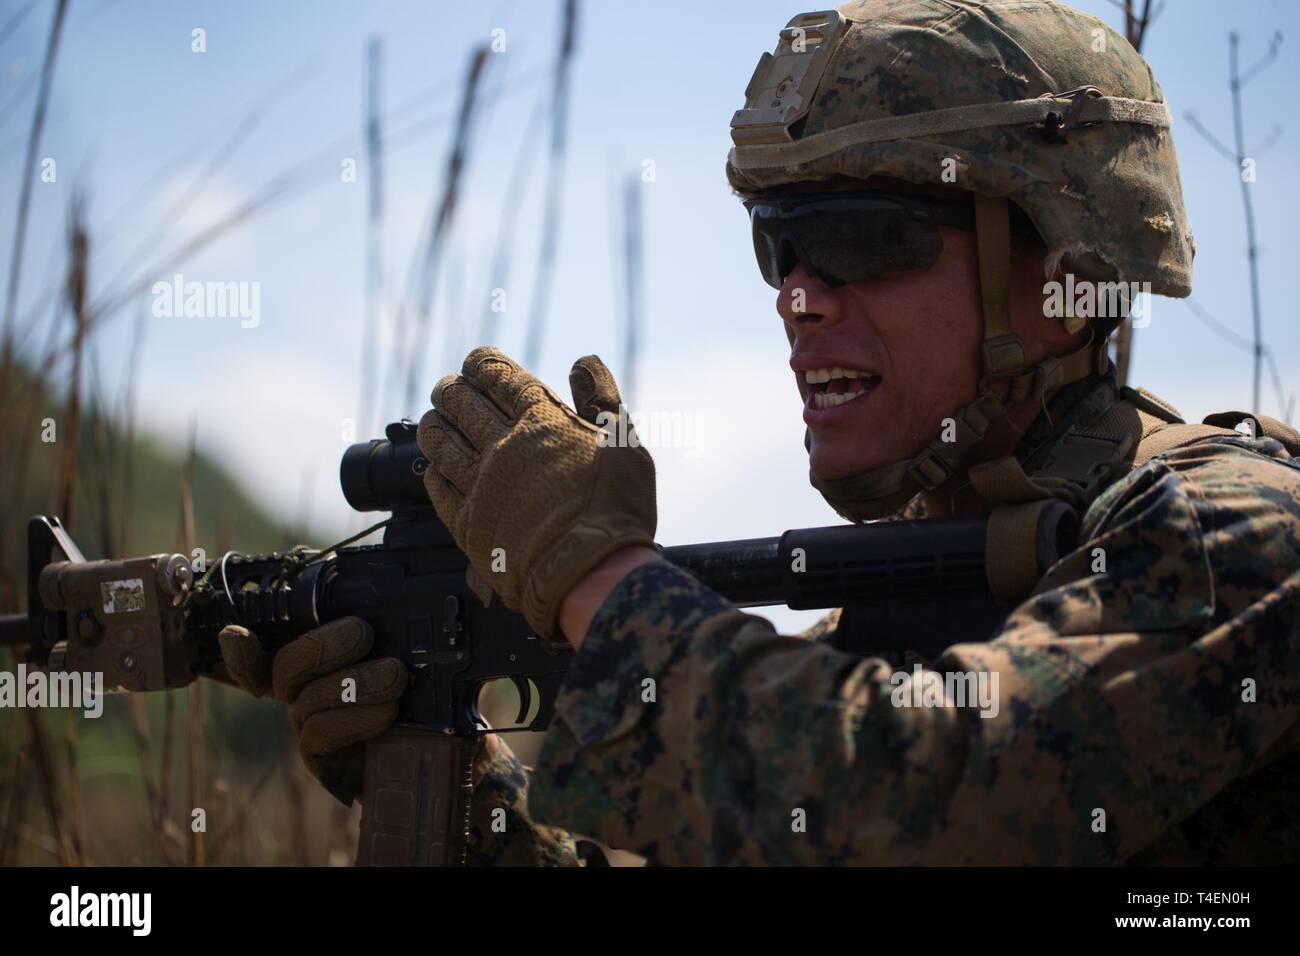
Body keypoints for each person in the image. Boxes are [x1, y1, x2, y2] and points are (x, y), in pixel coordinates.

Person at [218, 0, 1300, 865]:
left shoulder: (1233, 532)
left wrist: (595, 577)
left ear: (1064, 274)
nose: (799, 296)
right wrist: (466, 793)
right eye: (779, 248)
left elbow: (934, 803)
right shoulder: (906, 606)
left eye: (863, 239)